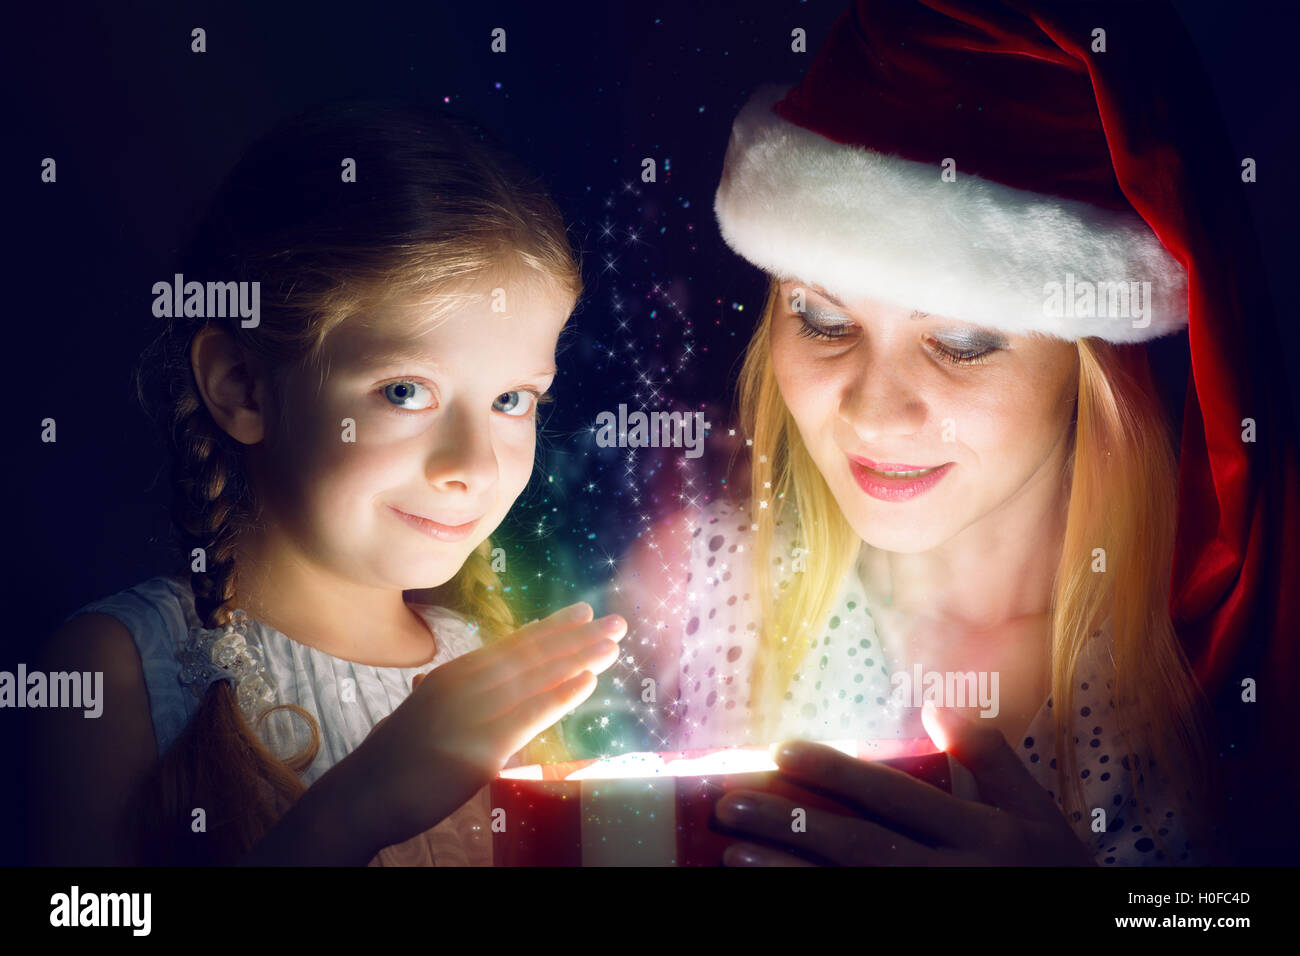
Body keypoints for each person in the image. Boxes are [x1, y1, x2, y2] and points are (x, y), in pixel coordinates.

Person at [614, 0, 1300, 866]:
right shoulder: (693, 600)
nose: (872, 411)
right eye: (822, 321)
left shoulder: (1216, 655)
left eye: (964, 344)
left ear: (1092, 363)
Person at [28, 99, 626, 866]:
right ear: (244, 386)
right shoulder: (117, 671)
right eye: (405, 391)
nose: (473, 466)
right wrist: (352, 813)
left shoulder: (494, 673)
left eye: (512, 400)